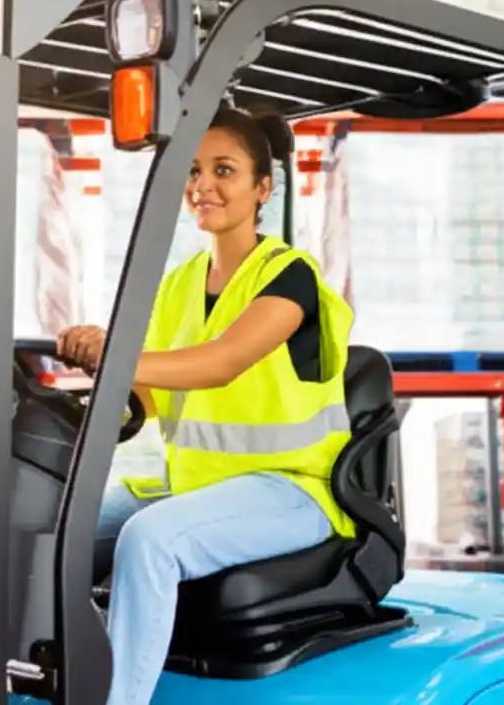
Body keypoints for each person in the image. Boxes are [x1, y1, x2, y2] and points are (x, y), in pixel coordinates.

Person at [56, 105, 356, 705]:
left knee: (150, 541)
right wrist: (85, 394)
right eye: (195, 171)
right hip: (198, 488)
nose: (204, 186)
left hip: (294, 491)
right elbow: (143, 392)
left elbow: (222, 362)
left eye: (224, 170)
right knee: (59, 525)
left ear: (261, 188)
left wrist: (116, 355)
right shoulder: (177, 283)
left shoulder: (289, 275)